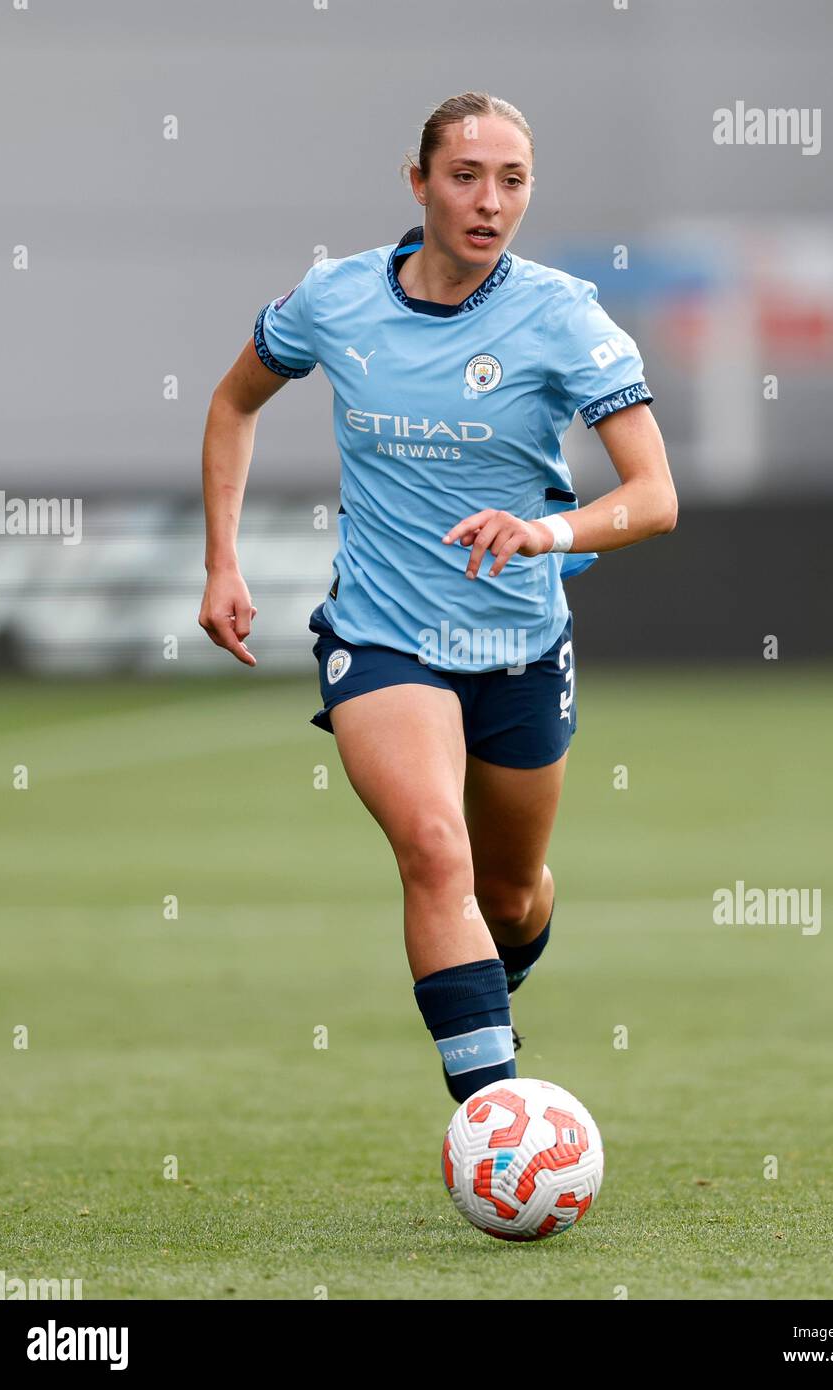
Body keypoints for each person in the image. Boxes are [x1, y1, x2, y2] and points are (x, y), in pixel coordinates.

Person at [199, 91, 677, 1105]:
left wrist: (543, 531)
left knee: (506, 894)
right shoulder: (335, 298)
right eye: (465, 176)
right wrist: (222, 562)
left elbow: (654, 498)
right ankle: (494, 1119)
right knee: (432, 846)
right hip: (383, 637)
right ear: (416, 184)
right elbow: (235, 400)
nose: (489, 200)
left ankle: (486, 994)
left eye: (512, 181)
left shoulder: (562, 314)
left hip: (518, 643)